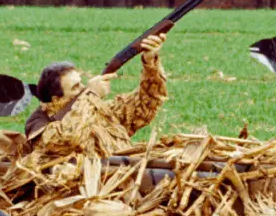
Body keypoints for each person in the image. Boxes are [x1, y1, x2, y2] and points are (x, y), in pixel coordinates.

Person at [24, 33, 168, 159]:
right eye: (75, 87)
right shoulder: (40, 125)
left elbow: (145, 104)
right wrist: (92, 95)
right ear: (57, 99)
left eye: (82, 83)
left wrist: (150, 61)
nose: (83, 89)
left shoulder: (94, 109)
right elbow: (69, 138)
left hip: (125, 178)